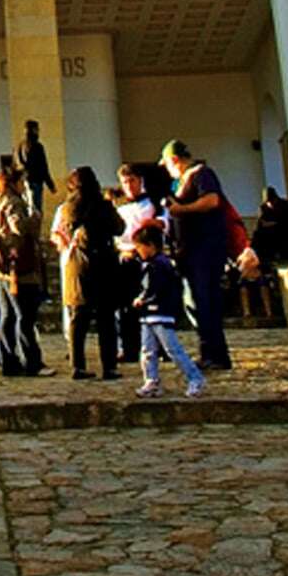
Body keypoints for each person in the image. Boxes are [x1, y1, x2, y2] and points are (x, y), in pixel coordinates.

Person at [161, 139, 232, 370]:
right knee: (196, 302)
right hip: (190, 251)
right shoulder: (181, 181)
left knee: (204, 301)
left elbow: (212, 201)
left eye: (168, 165)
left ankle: (215, 354)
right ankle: (210, 352)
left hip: (204, 249)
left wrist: (181, 209)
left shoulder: (202, 174)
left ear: (175, 161)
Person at [50, 166, 124, 380]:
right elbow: (120, 228)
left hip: (78, 264)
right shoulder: (104, 206)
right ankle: (109, 366)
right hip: (104, 262)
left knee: (78, 318)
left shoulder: (68, 208)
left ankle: (78, 365)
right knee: (106, 319)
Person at [0, 160, 47, 375]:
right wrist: (35, 218)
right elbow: (19, 228)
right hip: (17, 267)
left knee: (7, 314)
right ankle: (32, 361)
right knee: (24, 315)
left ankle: (8, 360)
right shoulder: (14, 203)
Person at [132, 223, 205, 399]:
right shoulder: (152, 265)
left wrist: (143, 299)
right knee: (147, 350)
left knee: (172, 349)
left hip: (160, 313)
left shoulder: (159, 266)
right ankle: (151, 380)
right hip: (149, 315)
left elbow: (156, 289)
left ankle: (195, 378)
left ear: (149, 245)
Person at [113, 162, 158, 363]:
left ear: (140, 181)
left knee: (149, 303)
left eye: (132, 180)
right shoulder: (120, 208)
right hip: (124, 259)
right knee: (124, 307)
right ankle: (129, 348)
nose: (129, 185)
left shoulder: (151, 205)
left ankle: (155, 347)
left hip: (145, 259)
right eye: (125, 182)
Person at [14, 121, 55, 218]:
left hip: (23, 181)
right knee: (36, 210)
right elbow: (43, 167)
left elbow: (17, 165)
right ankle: (34, 231)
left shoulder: (19, 147)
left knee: (27, 209)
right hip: (35, 181)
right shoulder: (37, 146)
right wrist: (50, 184)